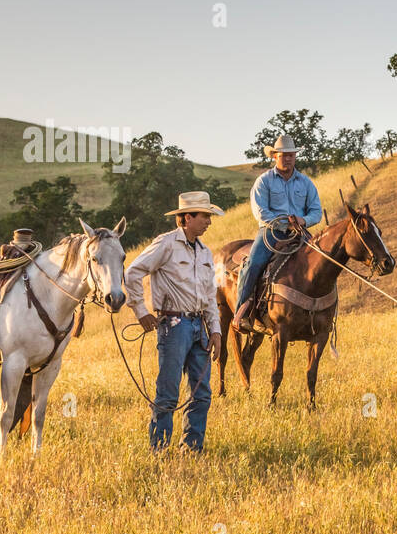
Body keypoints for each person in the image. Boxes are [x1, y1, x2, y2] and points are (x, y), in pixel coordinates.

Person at [124, 191, 225, 453]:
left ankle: (192, 449)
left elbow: (210, 295)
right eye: (205, 216)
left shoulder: (204, 252)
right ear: (187, 218)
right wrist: (140, 310)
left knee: (201, 393)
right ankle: (158, 450)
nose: (209, 222)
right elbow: (133, 272)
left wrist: (216, 330)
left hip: (199, 326)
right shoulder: (166, 244)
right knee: (168, 392)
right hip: (173, 325)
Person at [230, 134, 323, 332]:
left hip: (300, 233)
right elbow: (260, 211)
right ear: (275, 156)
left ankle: (323, 312)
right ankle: (242, 313)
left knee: (322, 261)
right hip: (271, 232)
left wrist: (303, 220)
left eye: (291, 155)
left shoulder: (306, 183)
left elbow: (316, 211)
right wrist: (283, 224)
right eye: (283, 155)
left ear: (295, 156)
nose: (288, 158)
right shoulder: (263, 181)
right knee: (253, 264)